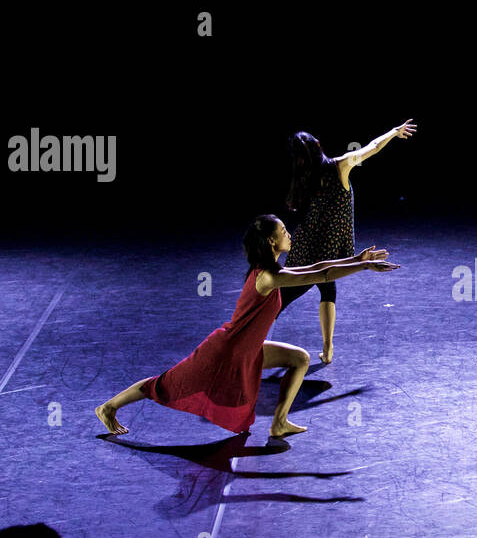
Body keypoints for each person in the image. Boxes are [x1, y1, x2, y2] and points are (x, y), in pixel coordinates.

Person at [95, 215, 399, 439]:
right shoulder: (268, 276)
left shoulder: (272, 270)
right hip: (225, 352)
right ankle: (108, 408)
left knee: (300, 359)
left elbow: (319, 267)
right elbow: (321, 276)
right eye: (283, 231)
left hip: (248, 349)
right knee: (163, 385)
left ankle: (279, 423)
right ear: (271, 241)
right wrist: (363, 266)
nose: (289, 234)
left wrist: (356, 258)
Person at [279, 121, 416, 364]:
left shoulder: (304, 178)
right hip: (328, 246)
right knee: (321, 289)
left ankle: (258, 334)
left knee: (289, 292)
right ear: (317, 146)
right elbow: (373, 147)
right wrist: (394, 132)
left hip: (306, 244)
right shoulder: (340, 165)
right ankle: (327, 348)